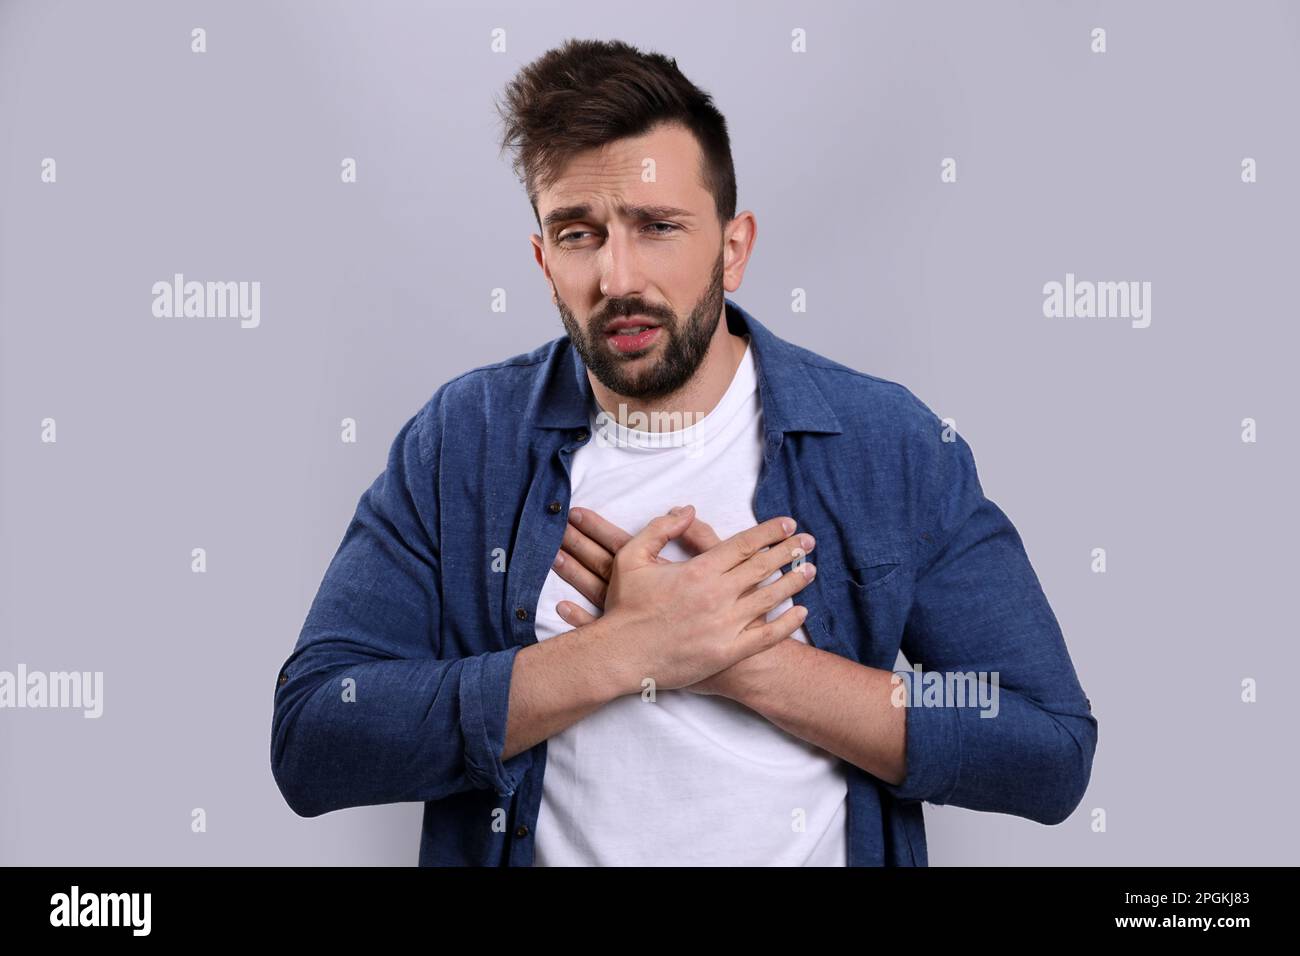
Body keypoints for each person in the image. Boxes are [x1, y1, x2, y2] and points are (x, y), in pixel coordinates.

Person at [270, 37, 1097, 866]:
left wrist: (748, 665)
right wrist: (624, 650)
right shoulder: (462, 439)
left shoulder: (891, 445)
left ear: (733, 248)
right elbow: (315, 734)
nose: (618, 276)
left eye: (657, 226)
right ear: (542, 260)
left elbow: (1045, 744)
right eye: (577, 234)